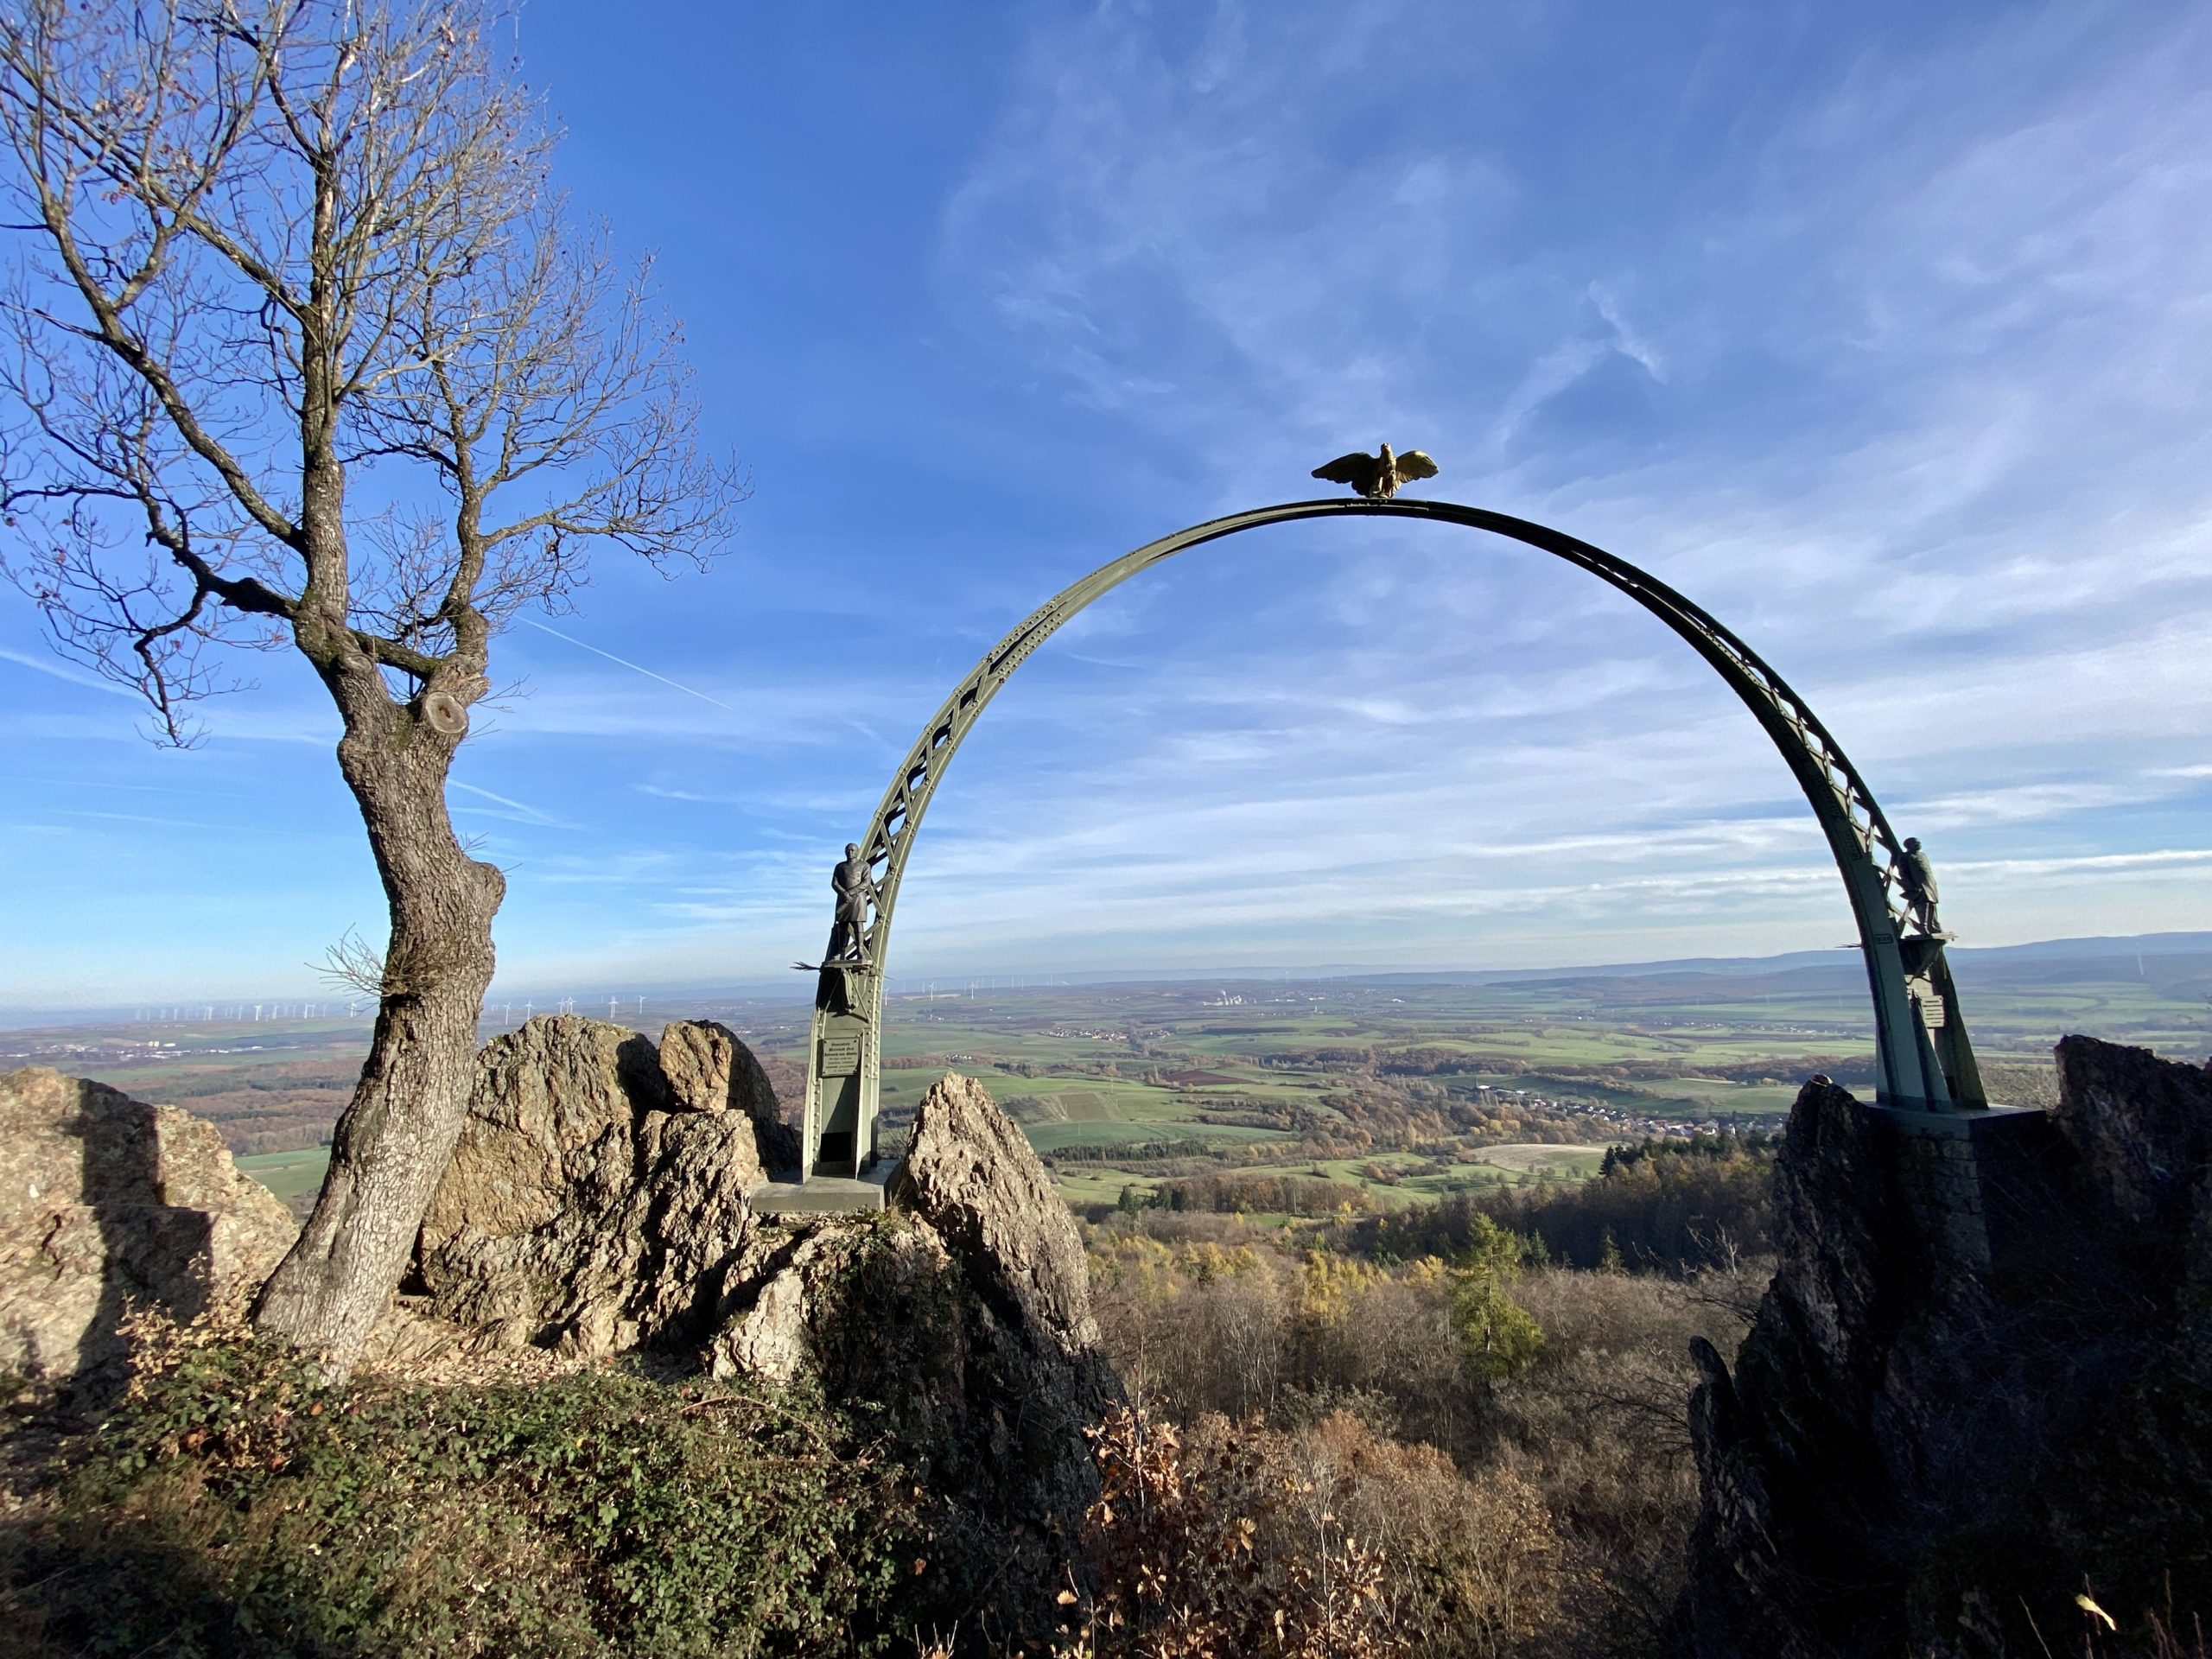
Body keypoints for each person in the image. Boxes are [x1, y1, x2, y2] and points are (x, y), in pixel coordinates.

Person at [825, 842, 877, 963]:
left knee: (858, 925)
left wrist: (851, 892)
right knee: (842, 927)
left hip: (858, 899)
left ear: (857, 851)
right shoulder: (840, 867)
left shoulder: (864, 865)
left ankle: (860, 952)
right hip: (843, 900)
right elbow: (835, 883)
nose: (850, 852)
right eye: (848, 850)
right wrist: (844, 893)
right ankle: (840, 953)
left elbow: (866, 882)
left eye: (853, 850)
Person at [1897, 836, 1940, 929]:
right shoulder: (1905, 856)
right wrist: (1910, 886)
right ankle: (1924, 926)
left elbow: (1928, 870)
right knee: (1923, 903)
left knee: (1932, 903)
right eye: (1915, 843)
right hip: (1918, 884)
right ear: (1908, 846)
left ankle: (1932, 925)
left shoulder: (1923, 855)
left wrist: (1933, 882)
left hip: (1929, 882)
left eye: (1919, 842)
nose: (1918, 844)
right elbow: (1903, 873)